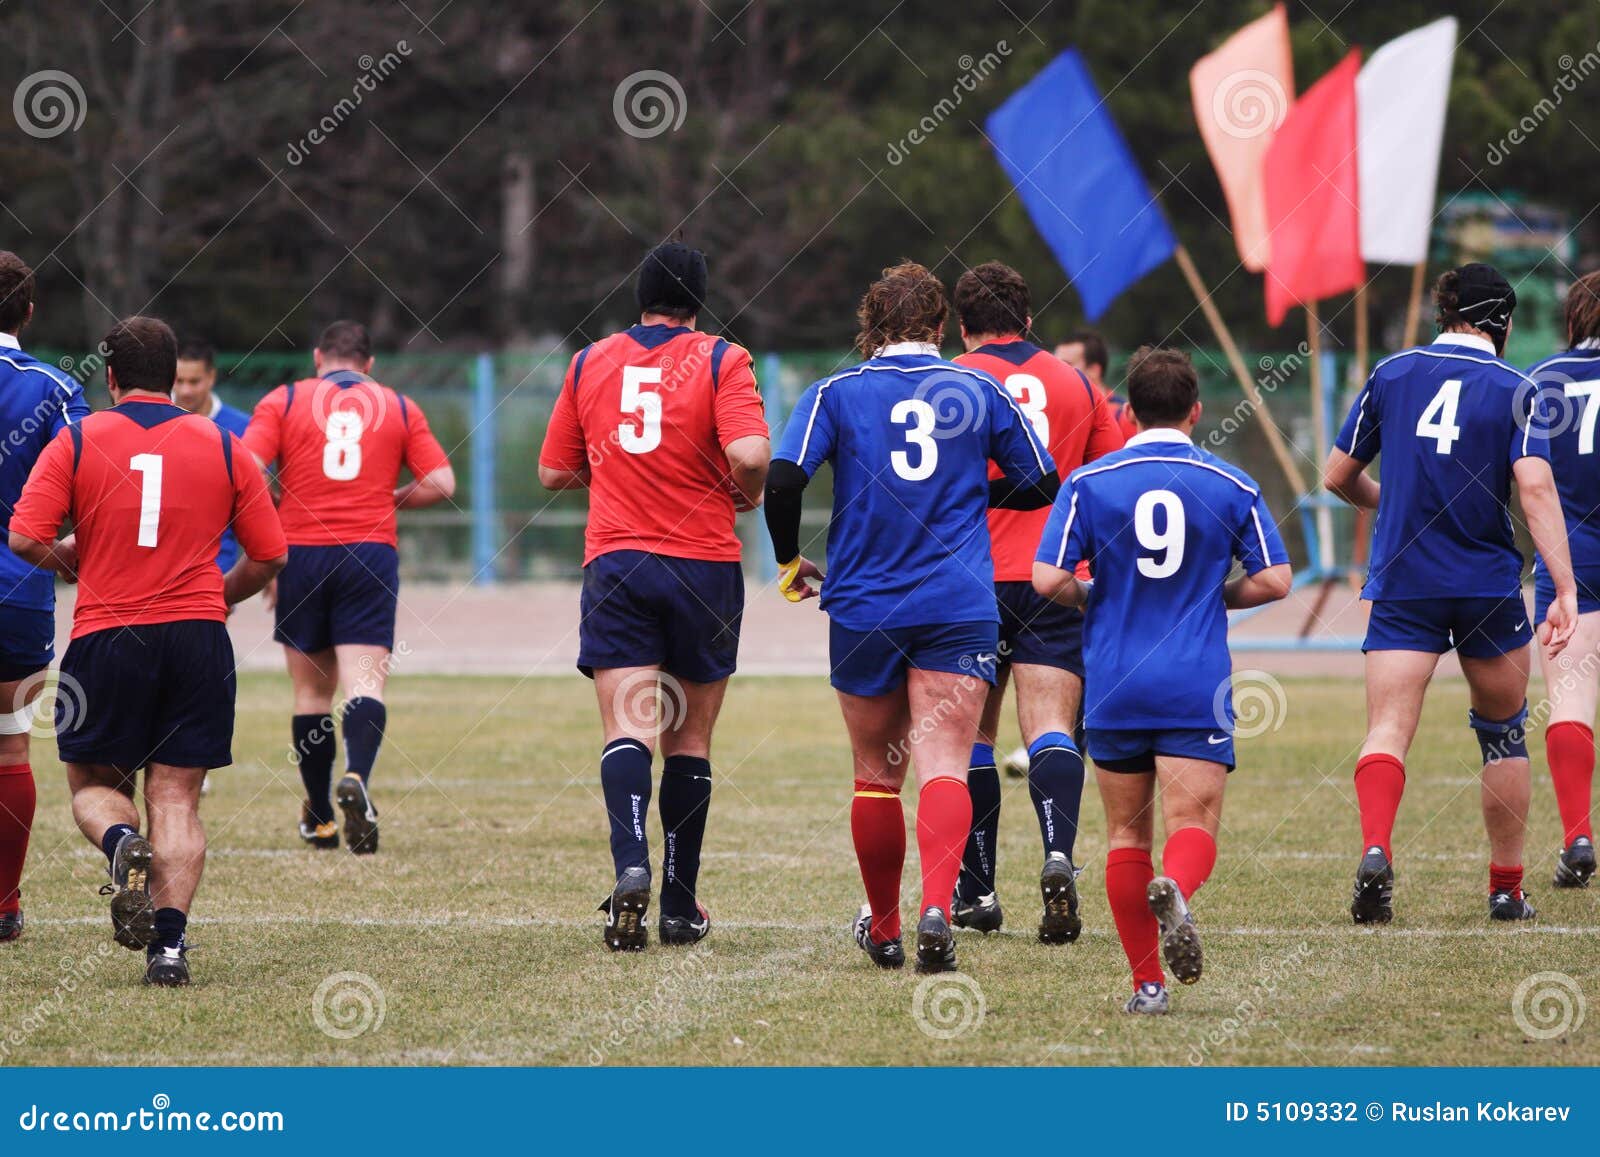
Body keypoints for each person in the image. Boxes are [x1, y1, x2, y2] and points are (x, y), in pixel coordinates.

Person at [765, 261, 1057, 974]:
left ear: (870, 326)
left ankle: (888, 930)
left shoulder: (836, 392)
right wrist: (969, 495)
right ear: (939, 325)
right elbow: (1041, 479)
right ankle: (937, 909)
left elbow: (783, 479)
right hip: (957, 603)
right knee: (946, 766)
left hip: (865, 602)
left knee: (875, 775)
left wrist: (787, 560)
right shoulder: (977, 387)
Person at [9, 316, 286, 986]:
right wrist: (219, 595)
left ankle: (119, 840)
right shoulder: (224, 444)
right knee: (177, 797)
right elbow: (271, 554)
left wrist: (72, 561)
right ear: (173, 378)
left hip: (107, 635)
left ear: (110, 377)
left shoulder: (78, 439)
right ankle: (169, 948)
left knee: (94, 786)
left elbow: (23, 536)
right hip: (196, 638)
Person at [1033, 346, 1291, 1014]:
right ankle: (1176, 885)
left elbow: (1048, 578)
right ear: (1195, 411)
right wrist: (1215, 596)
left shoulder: (1088, 483)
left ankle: (1147, 986)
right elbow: (1275, 579)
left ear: (1130, 412)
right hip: (1193, 680)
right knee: (1192, 823)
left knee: (1126, 836)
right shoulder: (1231, 484)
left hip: (1115, 678)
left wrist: (1094, 599)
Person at [1324, 263, 1577, 925]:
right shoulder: (1518, 389)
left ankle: (1376, 849)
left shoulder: (1391, 373)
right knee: (1503, 735)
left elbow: (1337, 475)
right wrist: (1564, 585)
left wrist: (1390, 506)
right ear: (1503, 322)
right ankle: (1506, 890)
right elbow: (1536, 488)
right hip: (1486, 585)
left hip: (1405, 580)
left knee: (1387, 728)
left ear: (1446, 313)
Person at [538, 241, 770, 952]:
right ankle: (677, 904)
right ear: (698, 304)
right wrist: (743, 493)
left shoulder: (590, 360)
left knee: (628, 728)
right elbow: (751, 454)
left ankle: (630, 865)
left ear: (638, 298)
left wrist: (617, 475)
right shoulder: (722, 358)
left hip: (619, 562)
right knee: (689, 740)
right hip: (703, 565)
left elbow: (552, 471)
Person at [949, 261, 1124, 942]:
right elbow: (1107, 481)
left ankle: (977, 891)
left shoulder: (952, 380)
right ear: (1028, 319)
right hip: (1055, 575)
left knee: (972, 737)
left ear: (963, 327)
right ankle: (1057, 854)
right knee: (1050, 726)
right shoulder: (1078, 383)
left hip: (969, 578)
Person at [243, 321, 455, 855]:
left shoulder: (285, 400)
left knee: (311, 693)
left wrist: (278, 511)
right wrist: (390, 498)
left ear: (318, 357)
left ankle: (319, 816)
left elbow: (244, 470)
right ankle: (357, 775)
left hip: (301, 552)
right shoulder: (397, 405)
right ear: (369, 364)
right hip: (370, 551)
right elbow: (442, 482)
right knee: (364, 685)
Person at [0, 251, 90, 943]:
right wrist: (67, 558)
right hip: (18, 588)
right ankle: (3, 904)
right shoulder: (56, 389)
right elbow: (95, 487)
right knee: (10, 750)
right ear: (29, 312)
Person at [1524, 271, 1600, 888]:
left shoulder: (1542, 379)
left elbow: (1526, 478)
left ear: (1573, 320)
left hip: (1571, 558)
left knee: (1571, 698)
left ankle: (1578, 836)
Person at [174, 338, 251, 572]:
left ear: (211, 377)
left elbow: (255, 504)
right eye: (179, 381)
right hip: (162, 565)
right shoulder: (154, 421)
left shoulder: (242, 428)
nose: (185, 390)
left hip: (218, 566)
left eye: (194, 381)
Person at [1057, 329, 1136, 439]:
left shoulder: (1126, 414)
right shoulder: (1055, 412)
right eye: (1055, 364)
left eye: (1066, 365)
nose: (1057, 371)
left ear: (1094, 370)